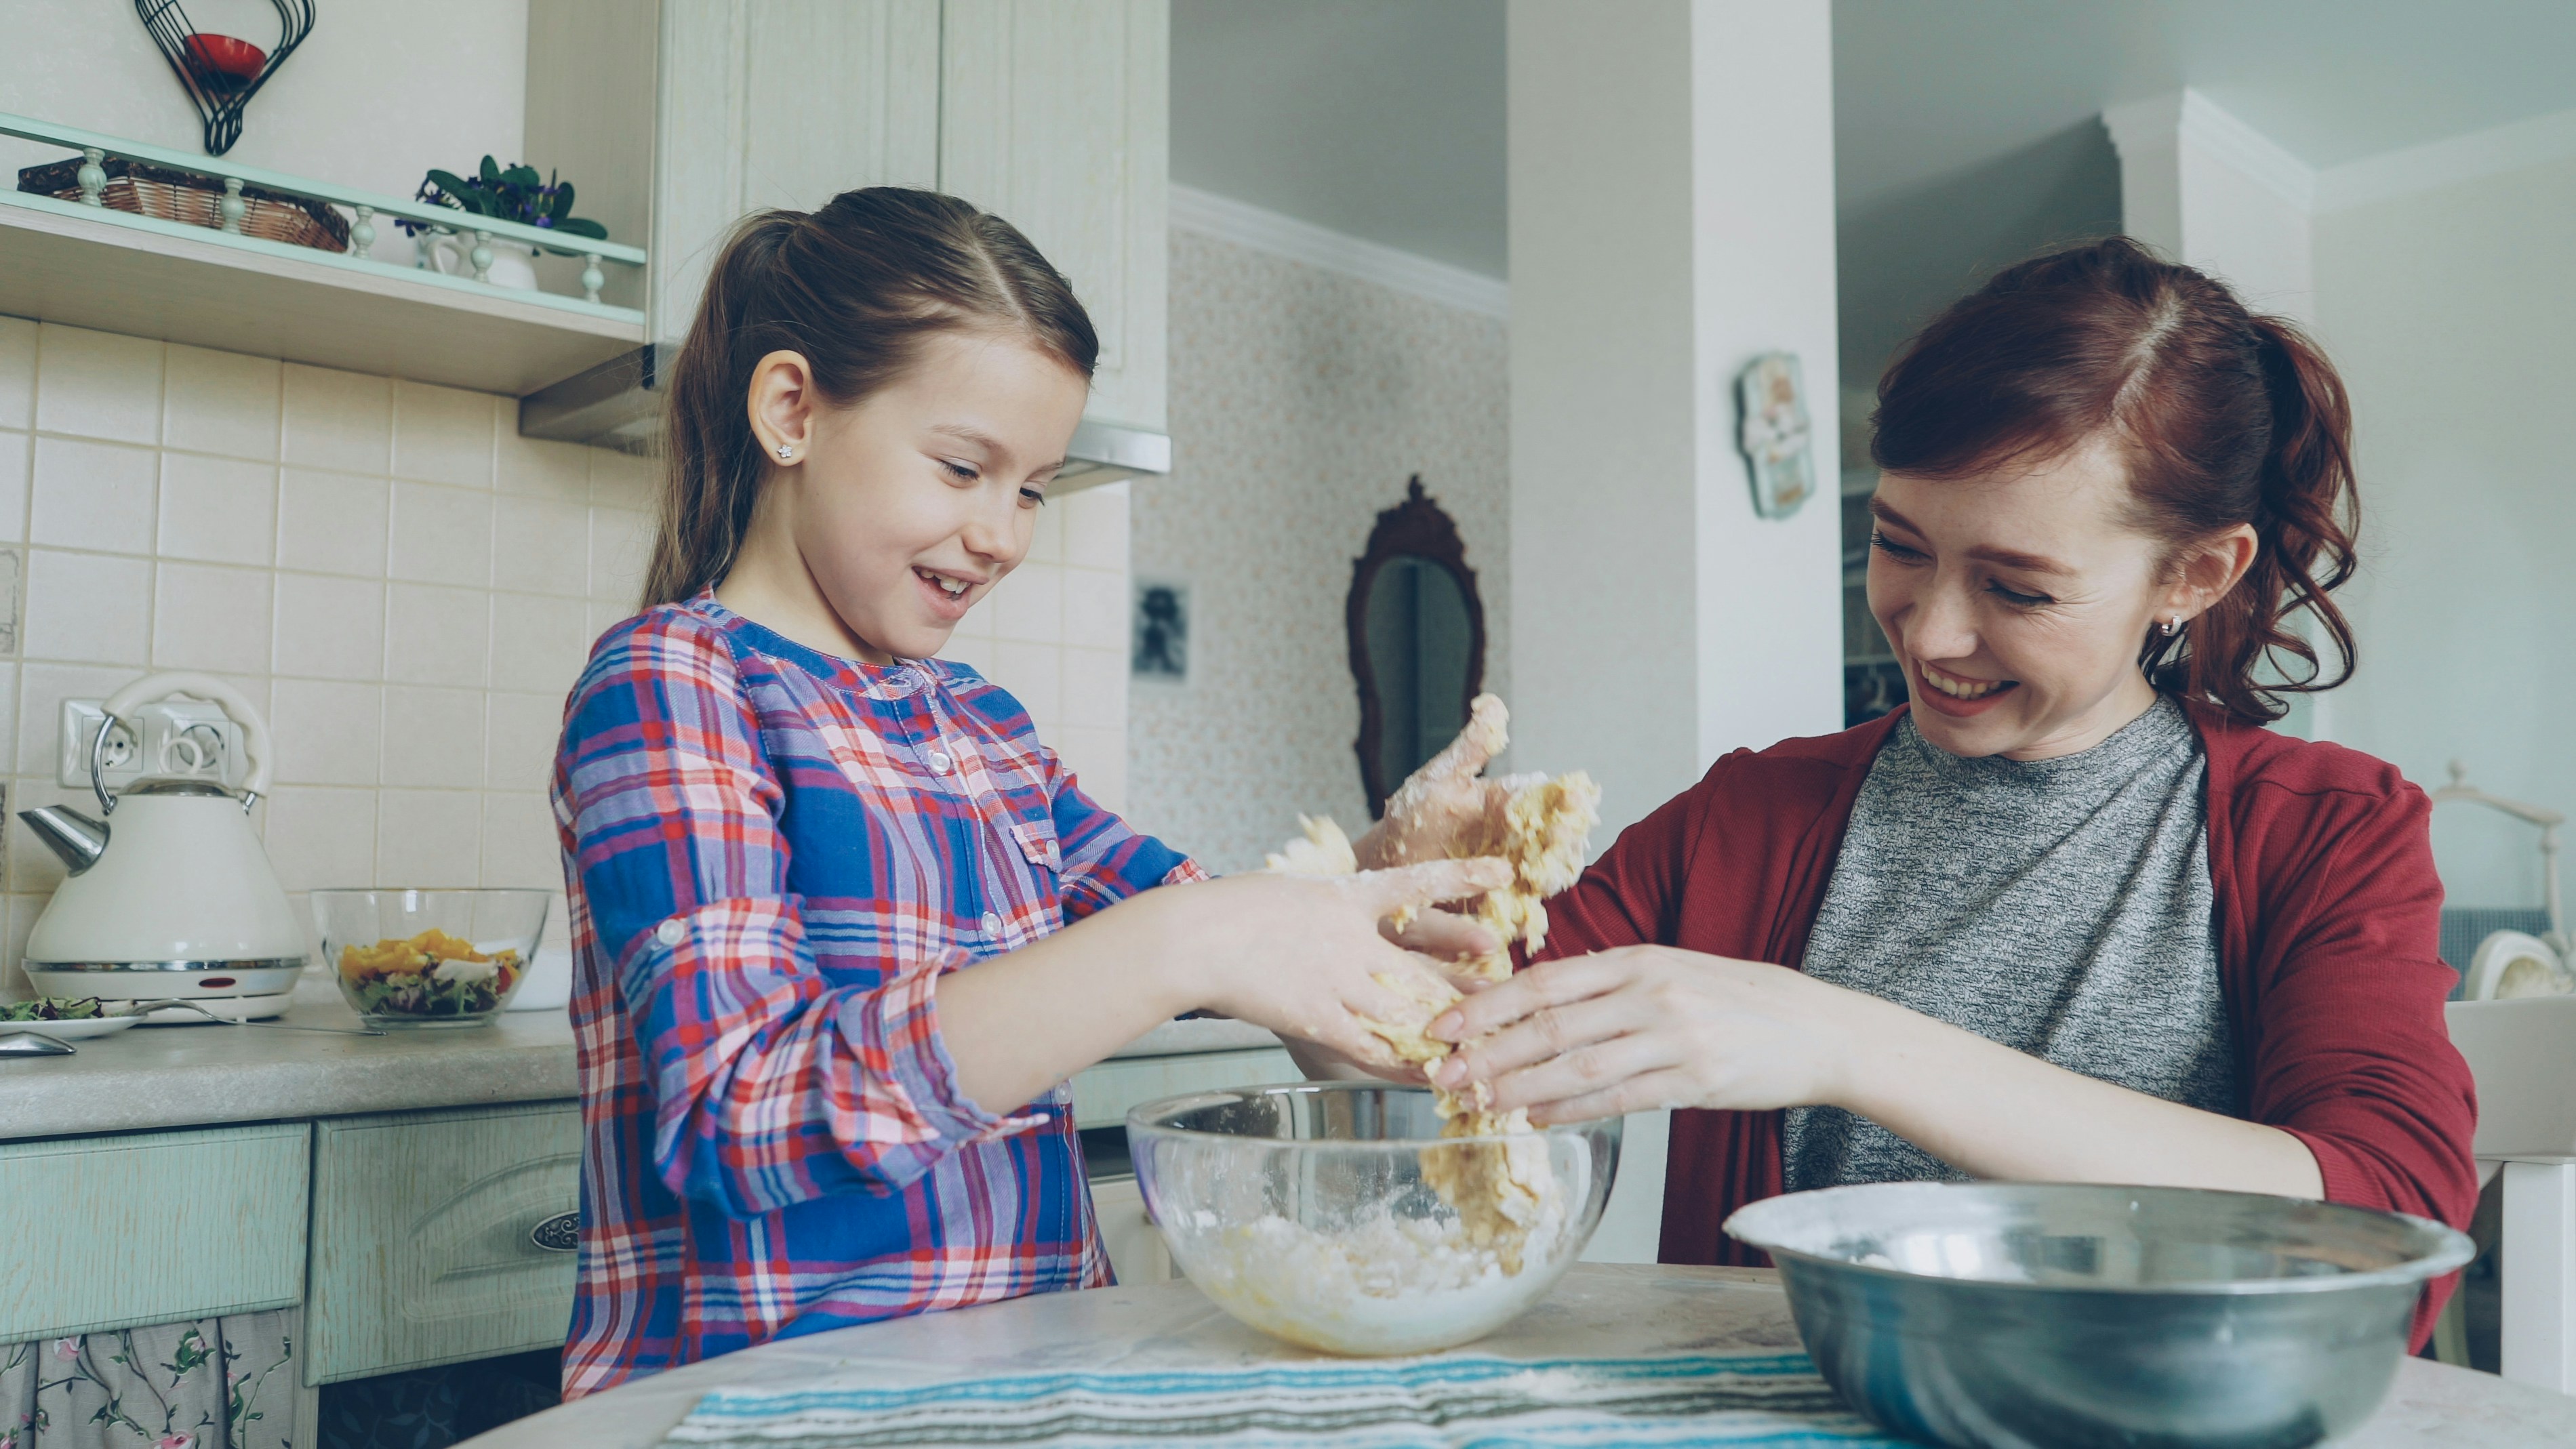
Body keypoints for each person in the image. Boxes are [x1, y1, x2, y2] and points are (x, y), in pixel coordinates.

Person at [1414, 238, 2477, 1344]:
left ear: (2193, 576)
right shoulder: (1753, 814)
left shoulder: (2325, 828)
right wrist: (1398, 912)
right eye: (1899, 545)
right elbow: (1445, 1042)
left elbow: (2388, 1223)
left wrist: (1843, 1043)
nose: (1932, 630)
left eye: (2017, 587)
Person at [549, 188, 1508, 1396]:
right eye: (963, 467)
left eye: (1034, 488)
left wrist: (1366, 887)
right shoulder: (672, 681)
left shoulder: (980, 727)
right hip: (759, 1404)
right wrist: (1190, 940)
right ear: (792, 410)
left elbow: (1203, 912)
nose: (1003, 533)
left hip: (1027, 1394)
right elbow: (743, 1111)